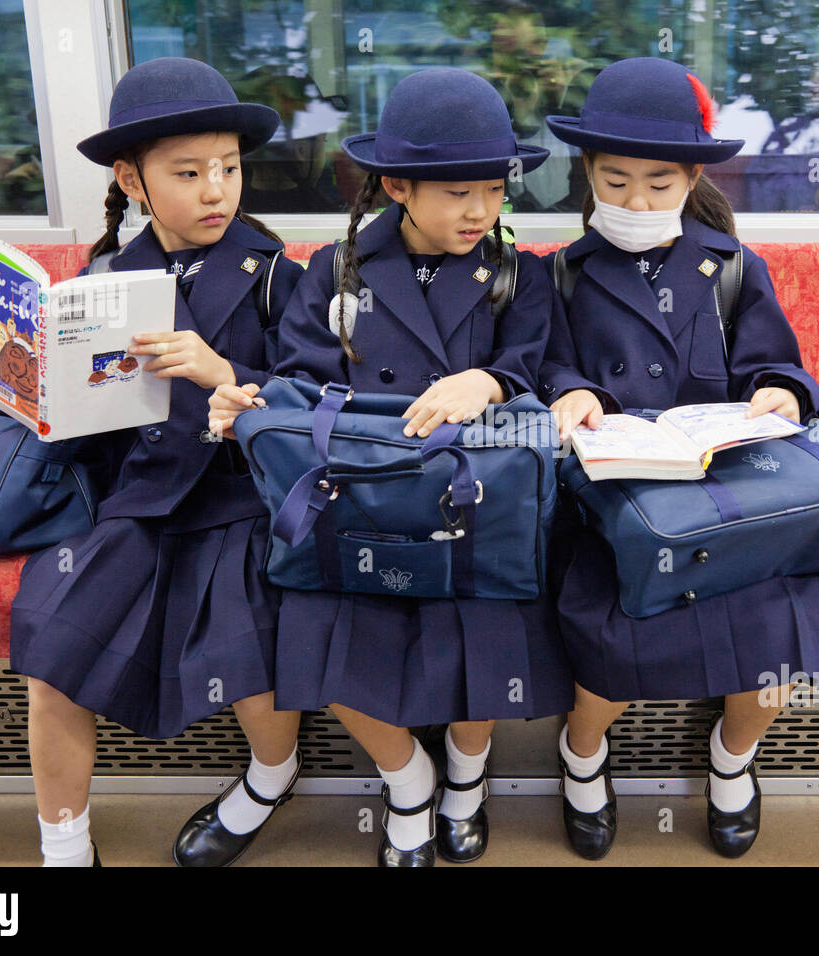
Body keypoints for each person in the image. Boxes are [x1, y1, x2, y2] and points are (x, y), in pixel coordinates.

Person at [0, 57, 304, 867]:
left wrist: (223, 374)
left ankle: (273, 775)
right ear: (131, 179)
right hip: (131, 501)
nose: (217, 190)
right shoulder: (101, 279)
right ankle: (63, 845)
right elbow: (57, 415)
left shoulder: (281, 275)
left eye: (229, 169)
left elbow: (318, 398)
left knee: (246, 647)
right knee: (50, 650)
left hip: (239, 498)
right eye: (189, 172)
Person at [209, 67, 573, 867]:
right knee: (321, 635)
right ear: (399, 186)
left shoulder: (521, 274)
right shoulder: (334, 271)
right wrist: (250, 401)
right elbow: (299, 379)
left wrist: (492, 379)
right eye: (456, 194)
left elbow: (541, 370)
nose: (480, 211)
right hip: (362, 492)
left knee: (484, 633)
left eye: (493, 189)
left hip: (471, 498)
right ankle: (406, 777)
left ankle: (468, 778)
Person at [538, 57, 819, 860]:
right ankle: (583, 755)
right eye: (617, 181)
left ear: (692, 176)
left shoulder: (732, 267)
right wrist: (569, 393)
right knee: (613, 630)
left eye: (659, 184)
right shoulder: (560, 276)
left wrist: (778, 391)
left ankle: (734, 760)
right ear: (587, 174)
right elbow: (549, 363)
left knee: (782, 624)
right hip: (623, 497)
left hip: (735, 492)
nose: (636, 202)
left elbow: (778, 363)